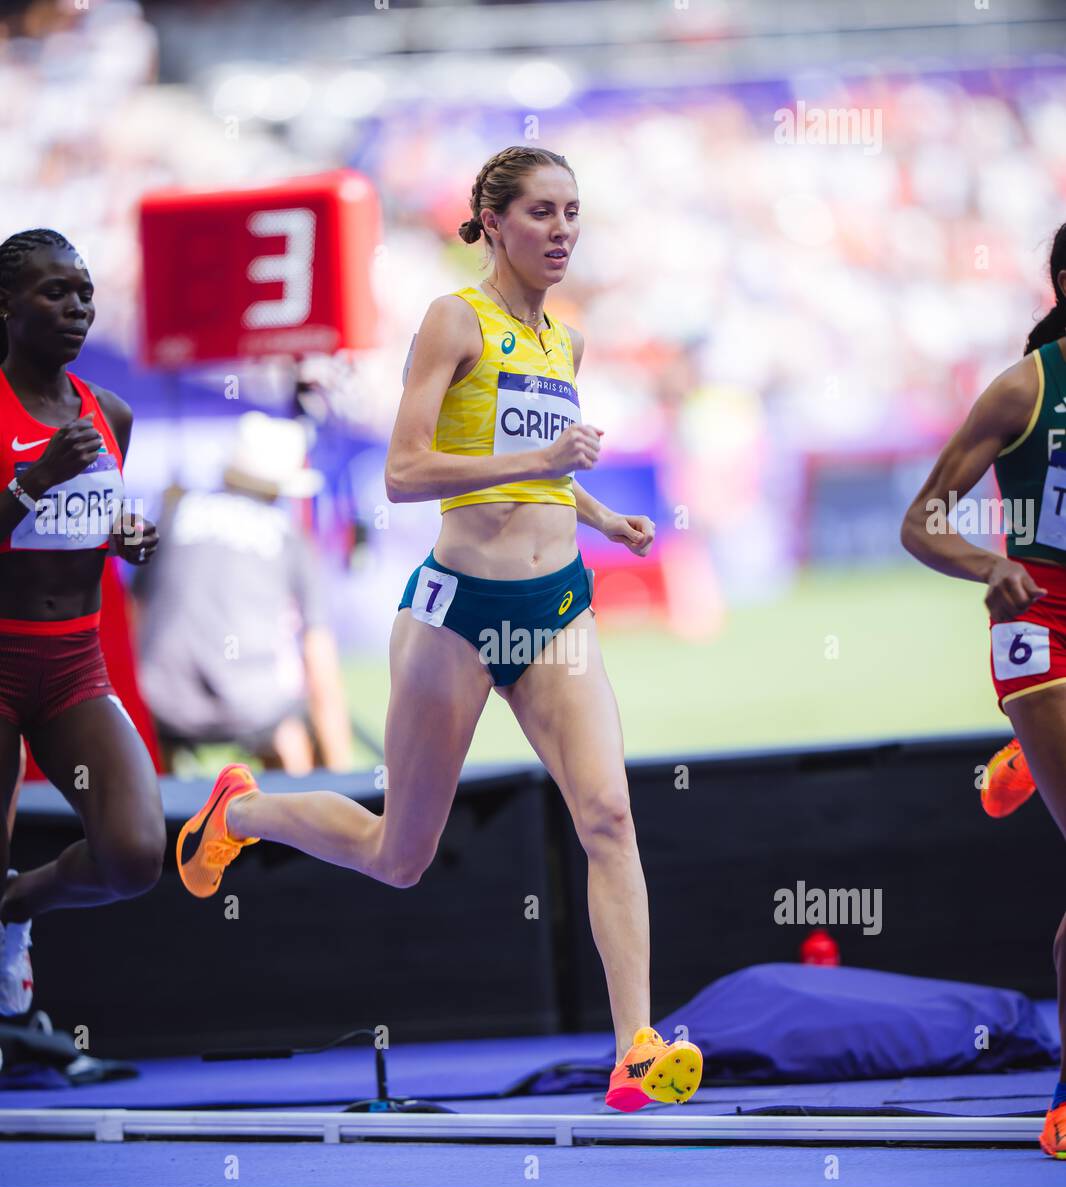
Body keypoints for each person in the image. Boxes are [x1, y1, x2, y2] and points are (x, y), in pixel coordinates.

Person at [176, 146, 703, 1111]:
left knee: (610, 816)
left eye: (573, 213)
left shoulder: (566, 342)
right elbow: (406, 472)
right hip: (457, 614)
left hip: (557, 612)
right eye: (542, 212)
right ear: (492, 222)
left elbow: (534, 469)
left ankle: (634, 1048)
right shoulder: (455, 320)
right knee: (400, 857)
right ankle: (239, 813)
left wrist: (595, 515)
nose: (562, 231)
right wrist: (540, 454)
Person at [902, 221, 1066, 1158]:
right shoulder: (1026, 387)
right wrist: (983, 567)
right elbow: (921, 522)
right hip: (1038, 616)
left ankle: (1030, 764)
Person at [0, 228, 166, 1015]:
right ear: (6, 304)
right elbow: (31, 503)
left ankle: (13, 910)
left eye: (85, 292)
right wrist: (37, 480)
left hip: (73, 666)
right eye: (54, 292)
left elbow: (85, 525)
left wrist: (123, 537)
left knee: (133, 854)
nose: (76, 308)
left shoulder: (112, 415)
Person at [131, 411, 355, 776]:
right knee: (293, 737)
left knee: (156, 764)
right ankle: (303, 817)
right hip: (253, 706)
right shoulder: (288, 535)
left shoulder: (173, 512)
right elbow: (319, 654)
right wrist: (345, 776)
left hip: (161, 701)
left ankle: (164, 817)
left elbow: (134, 610)